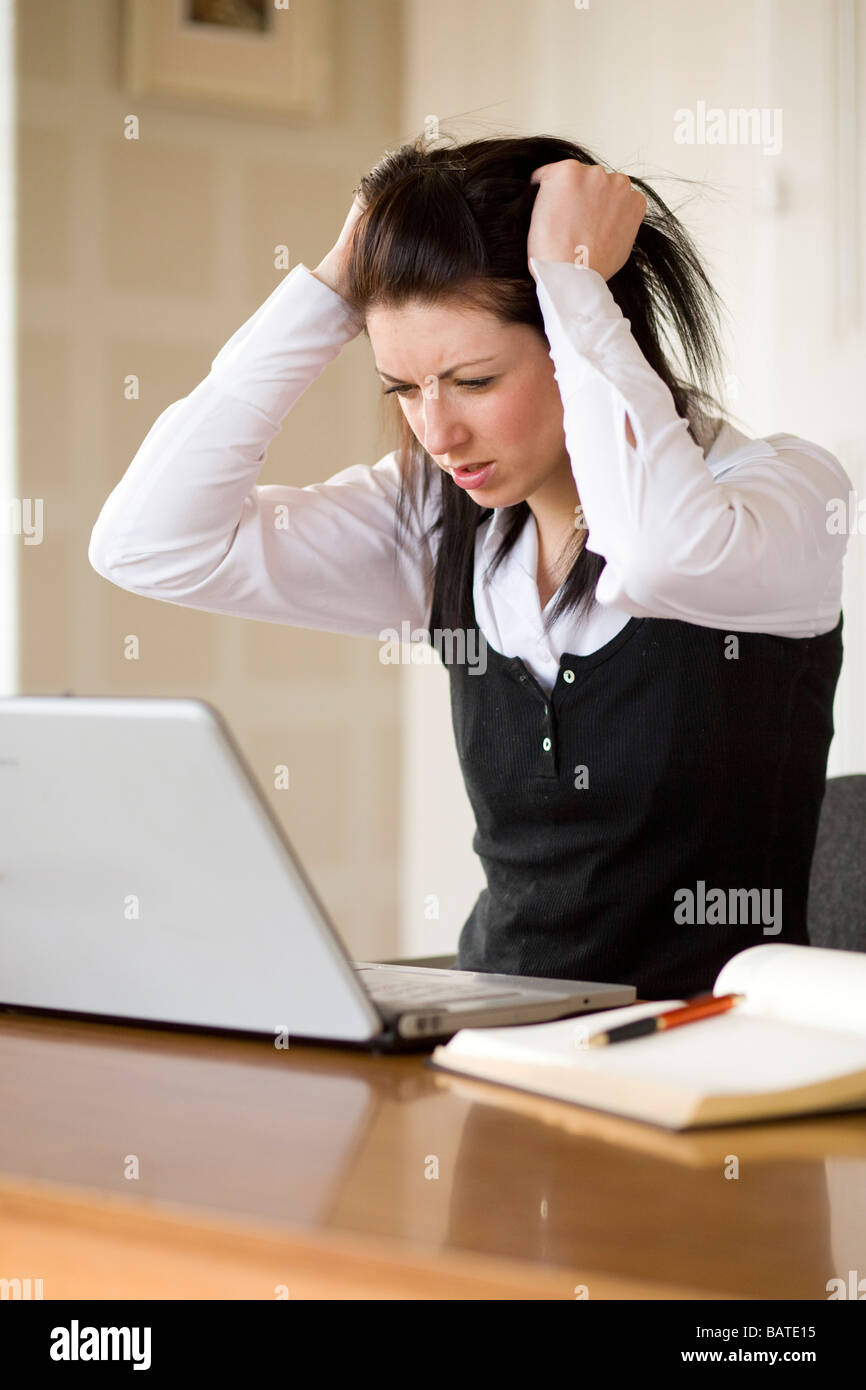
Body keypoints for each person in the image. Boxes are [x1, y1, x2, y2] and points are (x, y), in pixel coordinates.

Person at [89, 133, 852, 999]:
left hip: (701, 1072)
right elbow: (147, 543)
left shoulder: (778, 497)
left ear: (581, 333)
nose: (438, 433)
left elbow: (654, 556)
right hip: (489, 1044)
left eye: (476, 381)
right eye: (404, 389)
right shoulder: (442, 524)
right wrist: (335, 289)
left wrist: (572, 282)